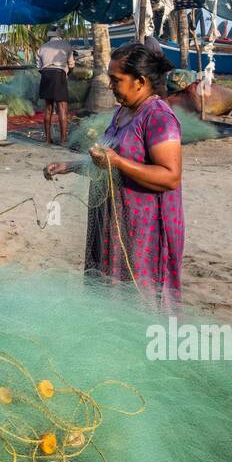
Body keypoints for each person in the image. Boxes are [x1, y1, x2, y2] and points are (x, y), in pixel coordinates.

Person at [45, 42, 183, 308]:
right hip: (114, 222)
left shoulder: (159, 118)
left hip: (144, 229)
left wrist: (118, 162)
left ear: (140, 82)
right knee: (109, 295)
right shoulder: (123, 112)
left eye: (116, 80)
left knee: (138, 297)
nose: (110, 86)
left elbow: (170, 176)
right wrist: (70, 166)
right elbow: (108, 161)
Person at [37, 28, 76, 145]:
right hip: (59, 74)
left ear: (49, 36)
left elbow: (39, 67)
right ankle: (63, 140)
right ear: (60, 35)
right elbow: (71, 64)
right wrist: (67, 73)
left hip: (46, 75)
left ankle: (47, 139)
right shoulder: (66, 45)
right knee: (62, 108)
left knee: (48, 108)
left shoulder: (42, 47)